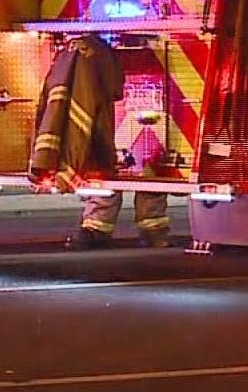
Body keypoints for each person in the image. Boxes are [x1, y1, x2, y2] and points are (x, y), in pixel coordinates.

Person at [28, 33, 170, 249]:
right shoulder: (87, 66)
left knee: (148, 161)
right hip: (135, 107)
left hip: (126, 113)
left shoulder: (82, 59)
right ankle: (121, 227)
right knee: (118, 161)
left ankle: (117, 227)